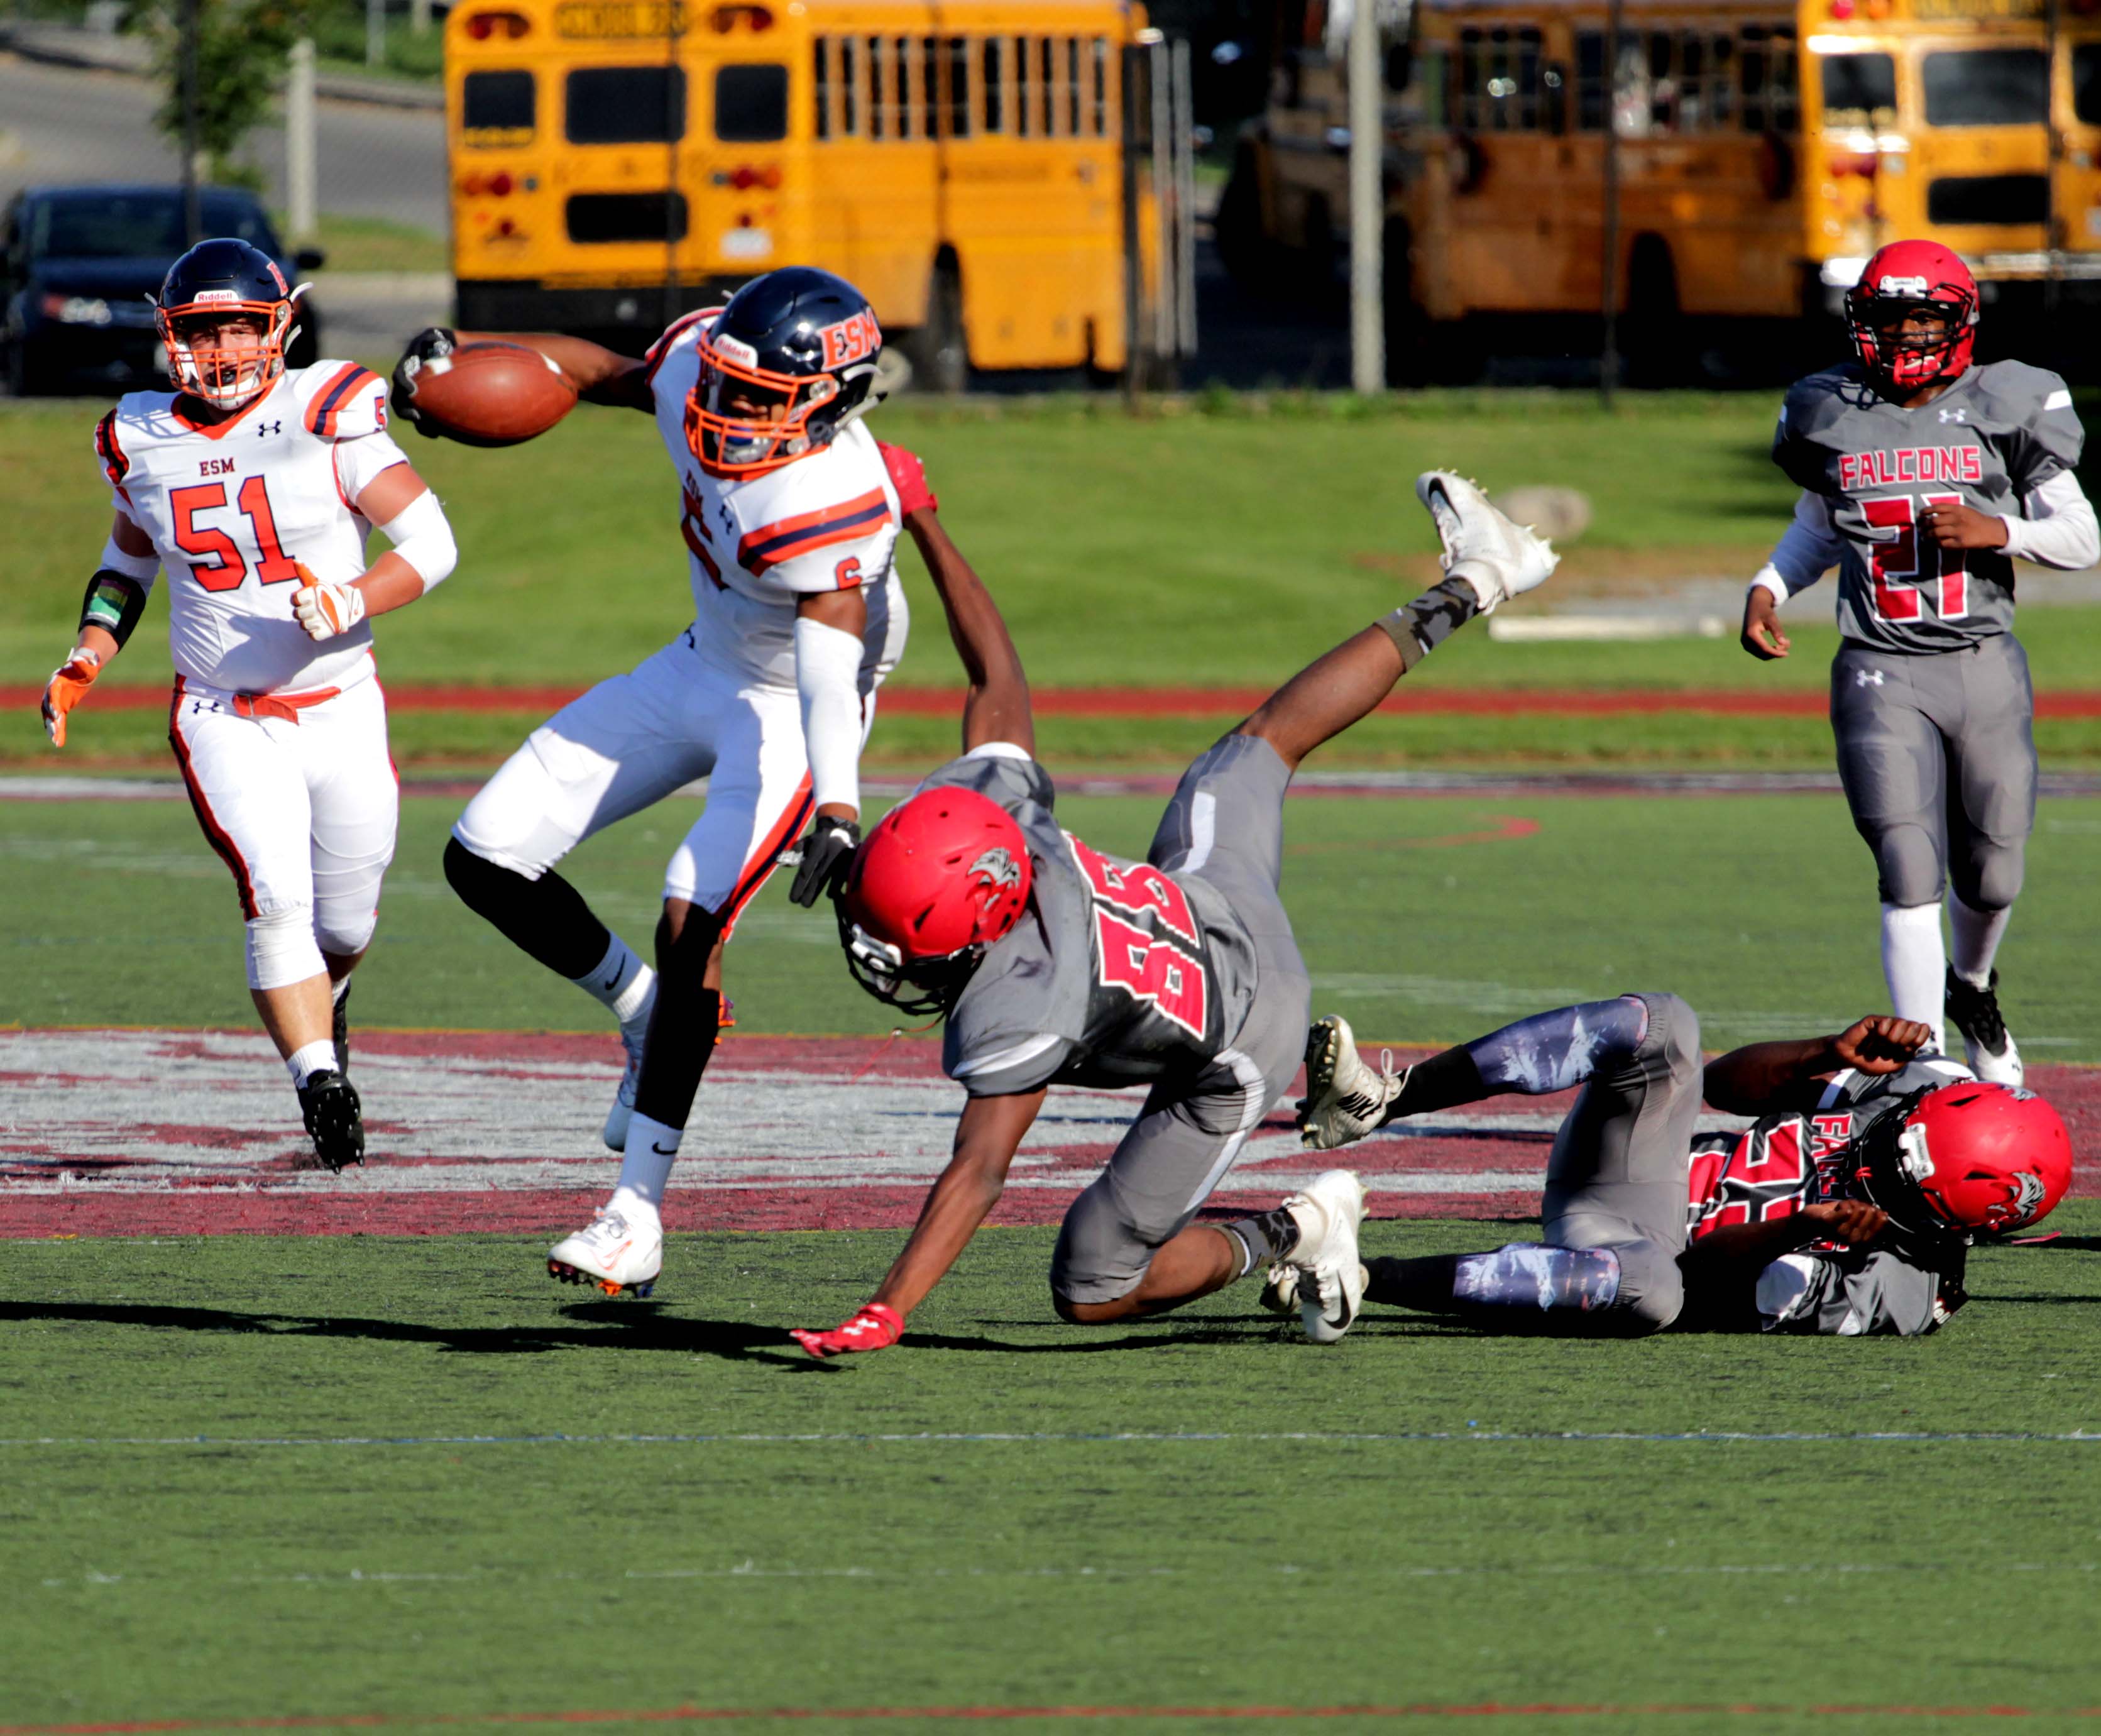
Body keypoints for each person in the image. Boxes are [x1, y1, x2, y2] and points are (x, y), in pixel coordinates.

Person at [788, 472, 1561, 1358]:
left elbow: (978, 1172)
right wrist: (923, 514)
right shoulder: (994, 819)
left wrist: (887, 1308)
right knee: (1261, 744)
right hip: (1212, 898)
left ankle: (1296, 1231)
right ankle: (1478, 580)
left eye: (908, 943)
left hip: (1243, 1040)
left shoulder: (1021, 997)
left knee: (1091, 1282)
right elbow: (995, 672)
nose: (887, 956)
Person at [390, 268, 908, 1298]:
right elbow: (595, 370)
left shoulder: (834, 496)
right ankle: (638, 1007)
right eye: (722, 382)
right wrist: (465, 354)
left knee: (689, 917)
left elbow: (827, 667)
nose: (724, 408)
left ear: (832, 403)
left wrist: (838, 803)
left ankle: (635, 1216)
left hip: (792, 708)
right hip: (701, 662)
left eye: (756, 398)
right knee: (485, 851)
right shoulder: (697, 373)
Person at [40, 238, 459, 1170]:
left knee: (345, 925)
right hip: (222, 710)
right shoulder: (140, 437)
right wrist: (89, 651)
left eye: (239, 327)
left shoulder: (326, 409)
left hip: (341, 704)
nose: (223, 349)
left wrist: (352, 598)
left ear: (279, 327)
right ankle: (319, 1081)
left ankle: (326, 1004)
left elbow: (432, 543)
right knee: (275, 895)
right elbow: (127, 564)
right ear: (171, 336)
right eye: (203, 331)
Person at [1740, 239, 2098, 1087]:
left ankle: (1968, 984)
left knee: (1993, 868)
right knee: (1905, 861)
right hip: (1879, 666)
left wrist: (1999, 530)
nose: (1903, 337)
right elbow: (1819, 525)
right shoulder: (1828, 409)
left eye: (1920, 319)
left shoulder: (2009, 401)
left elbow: (2082, 538)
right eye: (1888, 320)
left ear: (1957, 322)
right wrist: (1767, 585)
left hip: (1979, 660)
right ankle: (1921, 1062)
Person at [1288, 1000, 2071, 1337]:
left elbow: (1699, 1282)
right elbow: (1720, 1085)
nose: (1874, 1156)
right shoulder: (1921, 1085)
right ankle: (1382, 1098)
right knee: (1668, 1023)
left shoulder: (1904, 1291)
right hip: (1641, 1160)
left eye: (1893, 1177)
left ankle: (1356, 1276)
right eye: (1893, 1133)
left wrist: (1793, 1229)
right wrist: (1822, 1051)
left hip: (1639, 1250)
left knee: (1654, 1292)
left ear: (1943, 1218)